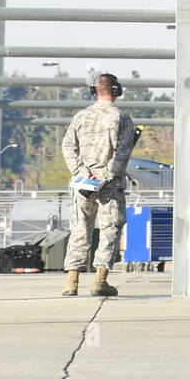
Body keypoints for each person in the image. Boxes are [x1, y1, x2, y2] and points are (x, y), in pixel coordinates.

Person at [61, 72, 135, 297]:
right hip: (110, 186)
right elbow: (123, 152)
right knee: (109, 229)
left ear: (94, 91)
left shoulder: (81, 116)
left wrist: (82, 172)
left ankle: (71, 282)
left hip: (82, 184)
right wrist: (106, 175)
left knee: (80, 229)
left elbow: (68, 146)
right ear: (116, 90)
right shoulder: (121, 118)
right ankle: (99, 281)